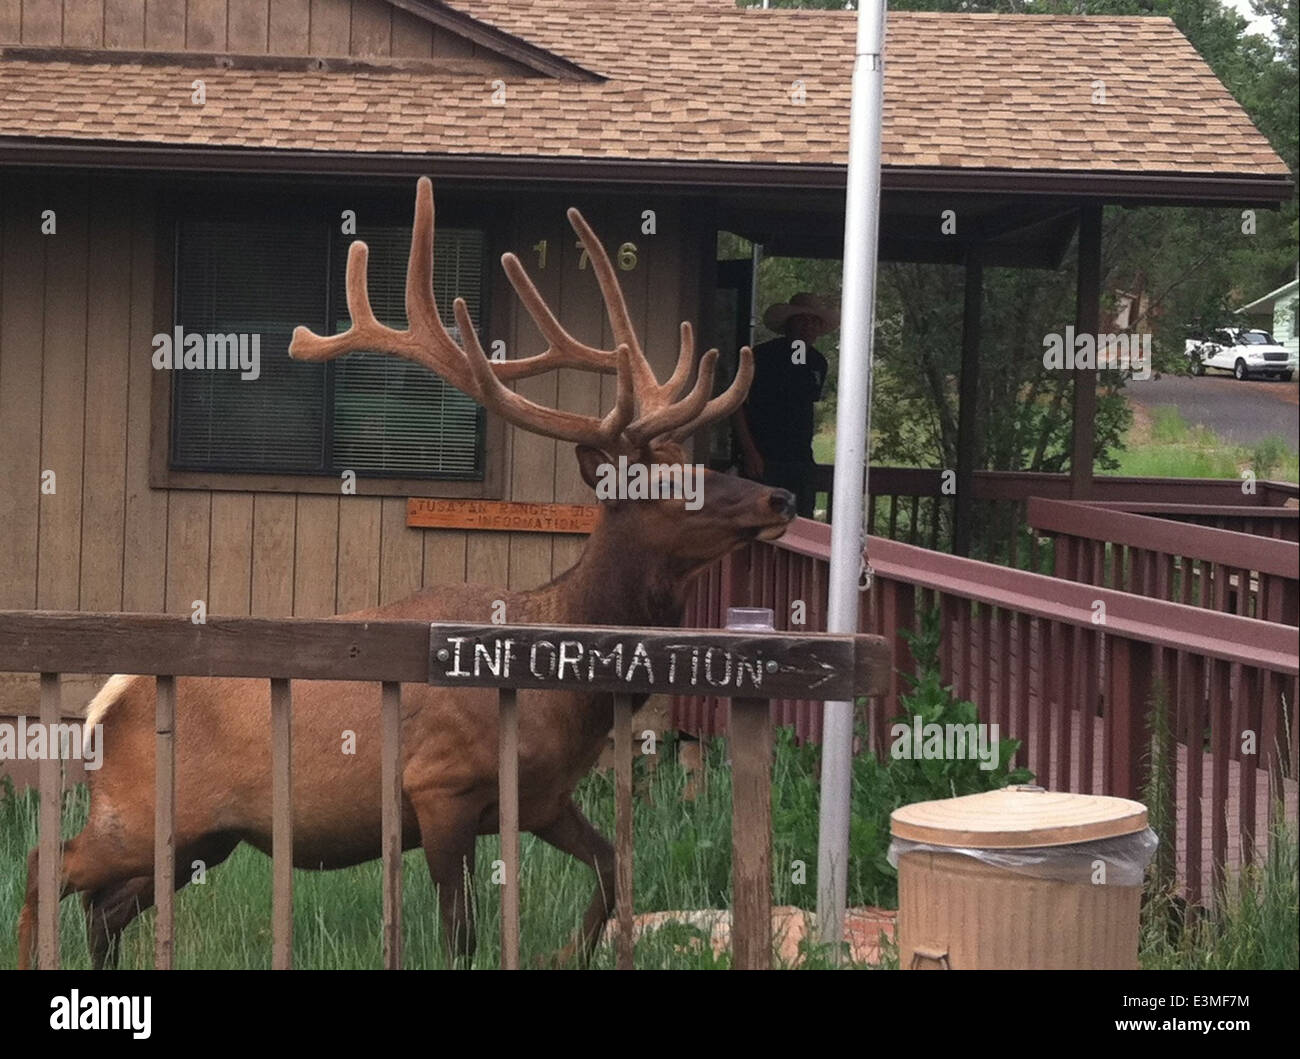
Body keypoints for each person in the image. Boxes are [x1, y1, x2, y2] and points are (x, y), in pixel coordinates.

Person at [733, 292, 837, 518]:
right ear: (789, 323)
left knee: (801, 521)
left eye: (814, 322)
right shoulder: (762, 357)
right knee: (761, 519)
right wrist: (750, 452)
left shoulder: (818, 362)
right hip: (764, 458)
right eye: (802, 320)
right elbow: (736, 404)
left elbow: (801, 401)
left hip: (800, 460)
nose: (808, 326)